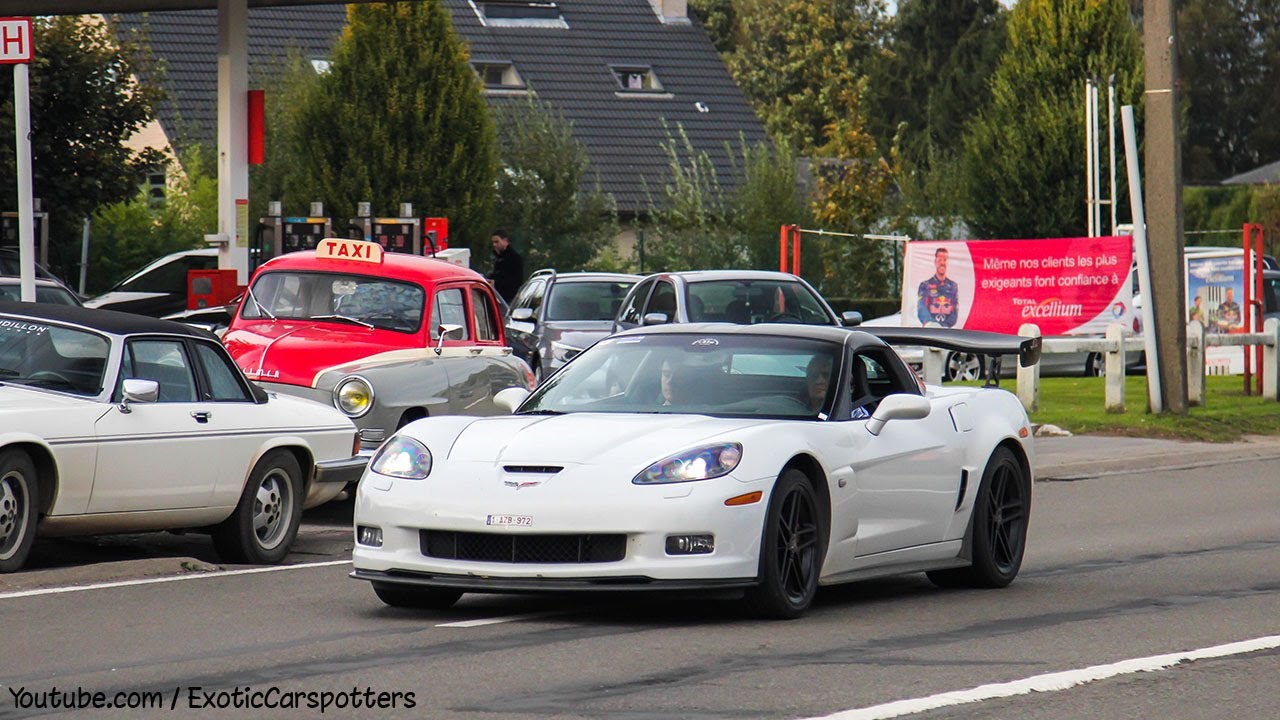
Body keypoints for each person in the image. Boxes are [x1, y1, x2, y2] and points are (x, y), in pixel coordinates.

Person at [917, 247, 959, 327]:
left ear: (948, 263)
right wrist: (932, 324)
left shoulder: (953, 286)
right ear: (935, 262)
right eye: (940, 260)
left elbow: (955, 312)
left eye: (945, 260)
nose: (942, 263)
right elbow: (921, 308)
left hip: (946, 331)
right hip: (930, 329)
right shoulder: (925, 285)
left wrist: (944, 326)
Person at [487, 228, 524, 303]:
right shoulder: (499, 258)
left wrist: (496, 283)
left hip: (508, 299)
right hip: (498, 297)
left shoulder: (514, 258)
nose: (494, 245)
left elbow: (517, 280)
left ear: (505, 241)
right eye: (493, 242)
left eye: (497, 242)